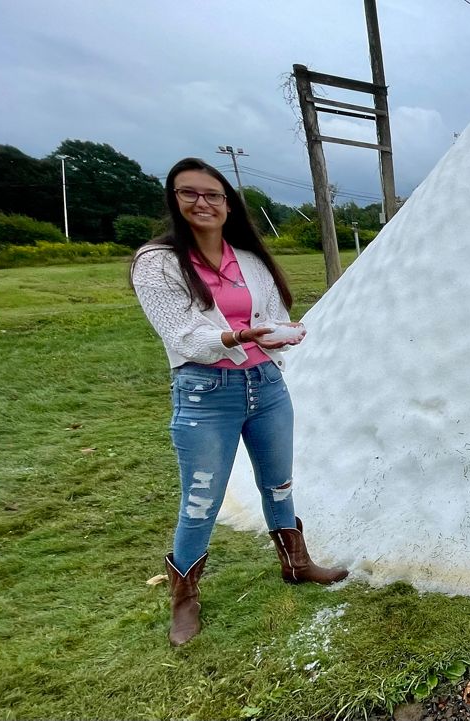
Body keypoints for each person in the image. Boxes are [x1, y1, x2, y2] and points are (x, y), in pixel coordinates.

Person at [131, 157, 346, 647]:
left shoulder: (247, 259)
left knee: (279, 483)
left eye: (213, 195)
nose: (202, 203)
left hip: (265, 386)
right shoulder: (158, 262)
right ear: (175, 200)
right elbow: (183, 335)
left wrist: (280, 335)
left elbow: (272, 313)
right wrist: (240, 335)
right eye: (190, 194)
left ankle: (296, 563)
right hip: (205, 394)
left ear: (228, 204)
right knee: (201, 500)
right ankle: (184, 599)